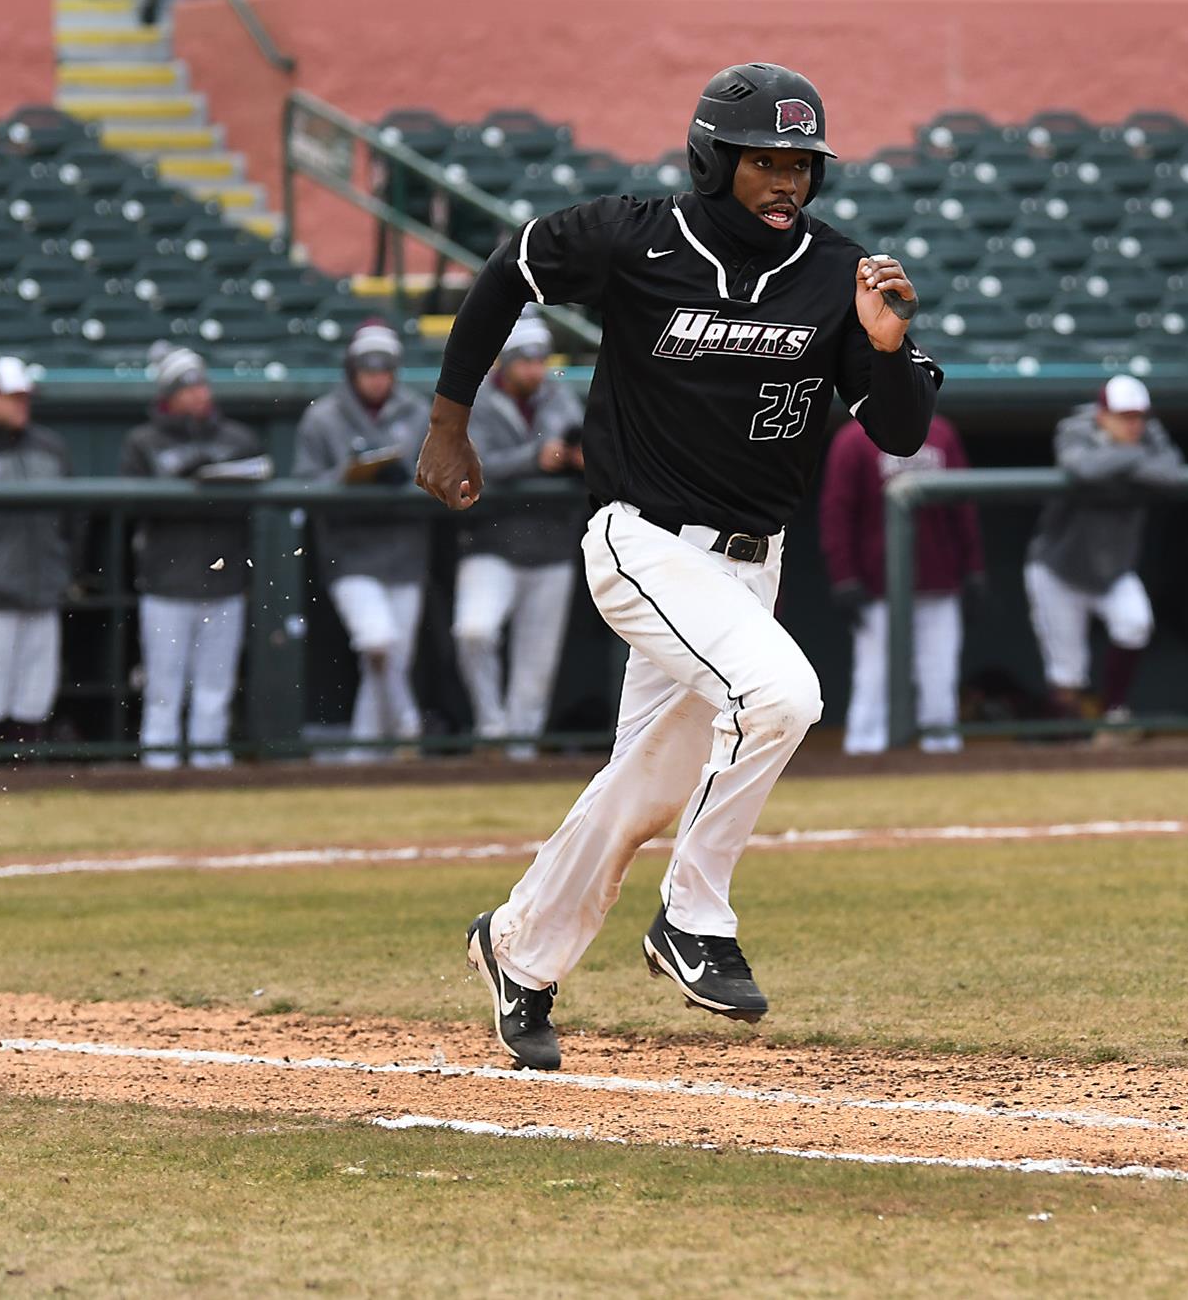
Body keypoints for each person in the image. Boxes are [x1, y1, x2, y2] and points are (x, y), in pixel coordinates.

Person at [418, 63, 940, 1070]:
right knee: (783, 693)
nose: (785, 179)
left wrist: (885, 345)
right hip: (641, 538)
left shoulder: (839, 274)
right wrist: (450, 419)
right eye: (763, 161)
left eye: (801, 162)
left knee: (644, 790)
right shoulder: (636, 235)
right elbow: (506, 270)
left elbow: (902, 432)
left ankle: (517, 950)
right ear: (713, 159)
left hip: (751, 568)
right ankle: (690, 917)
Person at [121, 345, 271, 769]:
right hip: (166, 582)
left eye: (202, 384)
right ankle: (159, 770)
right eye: (188, 388)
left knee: (215, 687)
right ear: (169, 394)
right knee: (164, 688)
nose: (198, 394)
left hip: (224, 580)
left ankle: (210, 768)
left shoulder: (236, 438)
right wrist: (184, 484)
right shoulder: (143, 441)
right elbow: (131, 507)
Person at [453, 307, 586, 759]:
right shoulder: (477, 402)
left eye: (540, 360)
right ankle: (492, 730)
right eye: (524, 360)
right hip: (490, 541)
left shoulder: (560, 397)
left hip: (551, 544)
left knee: (537, 665)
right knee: (474, 631)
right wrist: (534, 459)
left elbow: (581, 445)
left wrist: (576, 459)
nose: (534, 369)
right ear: (503, 363)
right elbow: (470, 465)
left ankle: (521, 753)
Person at [293, 322, 432, 755]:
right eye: (368, 370)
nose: (376, 378)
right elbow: (303, 486)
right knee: (377, 641)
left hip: (405, 551)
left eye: (384, 370)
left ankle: (365, 757)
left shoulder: (417, 411)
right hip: (349, 553)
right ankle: (407, 722)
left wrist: (407, 477)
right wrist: (349, 476)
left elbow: (444, 474)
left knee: (388, 662)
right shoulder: (324, 415)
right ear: (352, 370)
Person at [1024, 373, 1182, 736]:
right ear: (1102, 415)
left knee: (1135, 621)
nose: (1134, 425)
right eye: (1125, 417)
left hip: (1113, 567)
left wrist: (1121, 456)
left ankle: (1113, 716)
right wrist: (1134, 458)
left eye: (1139, 417)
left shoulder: (1150, 434)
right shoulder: (1075, 428)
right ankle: (1067, 748)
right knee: (1067, 673)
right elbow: (1083, 468)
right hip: (1058, 567)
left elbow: (1171, 473)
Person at [820, 410, 983, 754]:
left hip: (939, 579)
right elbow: (837, 512)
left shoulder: (941, 432)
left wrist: (972, 568)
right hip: (877, 584)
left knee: (939, 675)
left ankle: (941, 751)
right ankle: (865, 752)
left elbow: (963, 506)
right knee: (875, 676)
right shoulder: (852, 439)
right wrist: (845, 576)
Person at [0, 356, 72, 747]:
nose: (21, 405)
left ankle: (27, 783)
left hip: (43, 589)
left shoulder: (50, 447)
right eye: (11, 397)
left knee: (34, 695)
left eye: (25, 397)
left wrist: (65, 570)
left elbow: (72, 521)